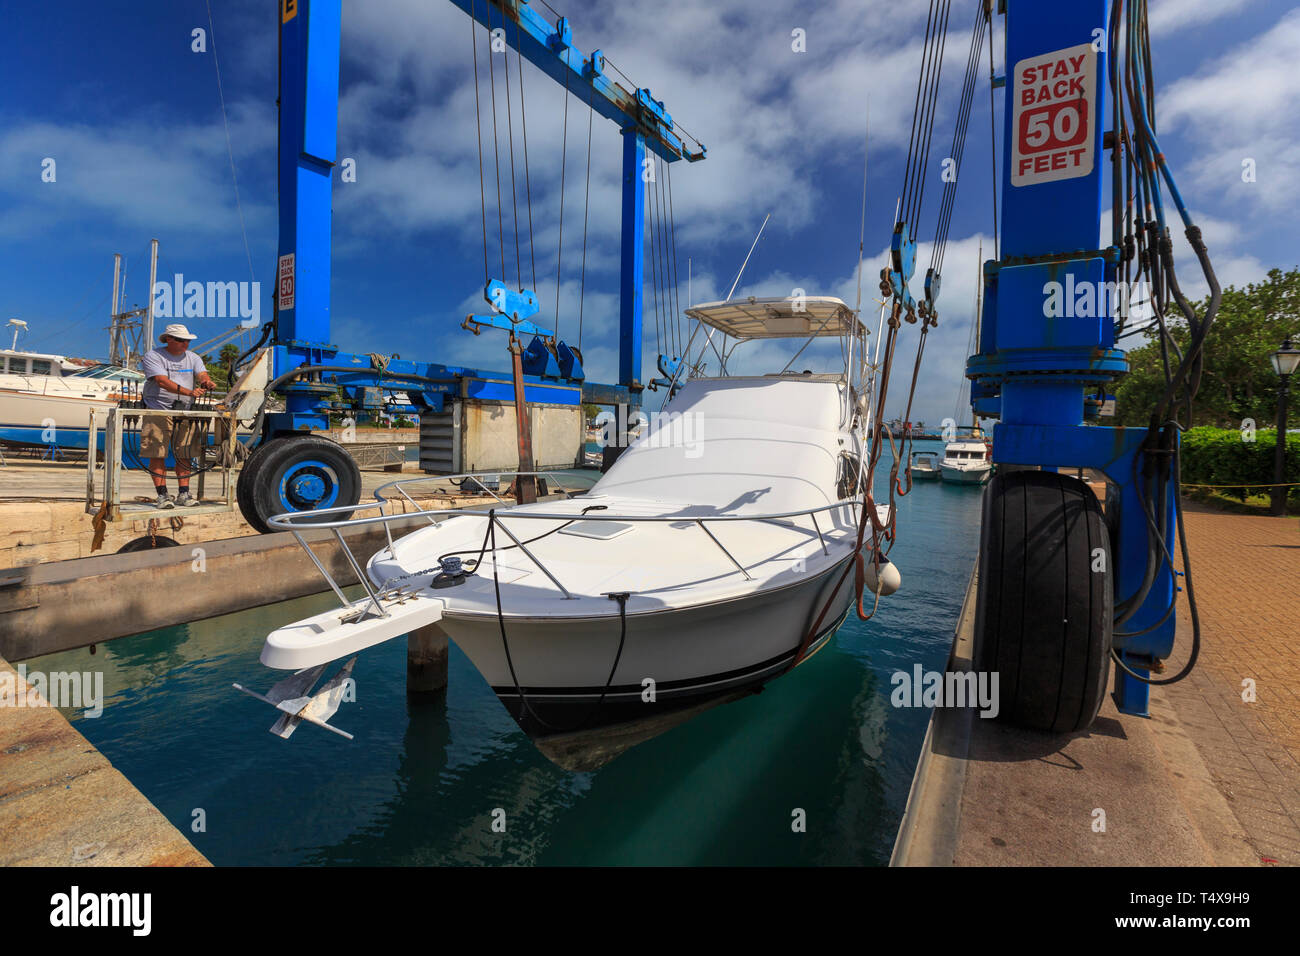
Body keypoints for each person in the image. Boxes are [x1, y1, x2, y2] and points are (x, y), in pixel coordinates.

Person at [140, 324, 216, 508]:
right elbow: (161, 381)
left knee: (186, 452)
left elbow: (202, 373)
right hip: (157, 408)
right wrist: (189, 392)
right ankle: (162, 495)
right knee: (157, 452)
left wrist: (206, 381)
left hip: (185, 411)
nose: (186, 343)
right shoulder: (153, 356)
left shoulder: (193, 357)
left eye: (188, 340)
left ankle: (184, 493)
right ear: (169, 339)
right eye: (182, 340)